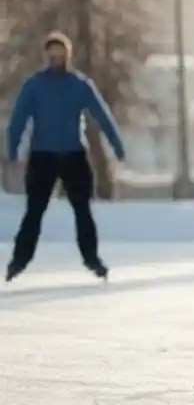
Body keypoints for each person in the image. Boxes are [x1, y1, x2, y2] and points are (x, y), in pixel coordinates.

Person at [4, 32, 124, 281]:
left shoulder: (79, 84)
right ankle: (19, 260)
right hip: (42, 156)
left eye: (61, 55)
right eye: (52, 56)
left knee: (83, 210)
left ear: (67, 56)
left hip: (73, 156)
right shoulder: (34, 85)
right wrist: (12, 148)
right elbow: (17, 120)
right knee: (34, 211)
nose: (57, 59)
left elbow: (101, 115)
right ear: (46, 57)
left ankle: (92, 259)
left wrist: (116, 144)